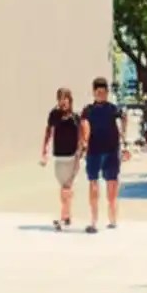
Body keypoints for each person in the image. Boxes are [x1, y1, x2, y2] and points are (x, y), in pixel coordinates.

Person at [80, 76, 128, 234]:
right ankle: (93, 221)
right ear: (94, 92)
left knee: (112, 185)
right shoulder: (88, 110)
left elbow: (123, 121)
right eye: (98, 92)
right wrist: (84, 143)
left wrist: (125, 142)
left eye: (104, 92)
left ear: (107, 92)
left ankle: (113, 218)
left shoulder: (113, 109)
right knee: (93, 184)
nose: (101, 94)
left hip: (111, 150)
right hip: (94, 151)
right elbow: (84, 126)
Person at [40, 87, 81, 231]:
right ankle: (67, 215)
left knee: (66, 188)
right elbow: (48, 133)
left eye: (65, 98)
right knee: (64, 188)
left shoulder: (76, 118)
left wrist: (80, 155)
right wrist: (44, 152)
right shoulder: (54, 115)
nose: (63, 102)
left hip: (72, 157)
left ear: (70, 100)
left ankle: (64, 218)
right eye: (60, 98)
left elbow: (80, 138)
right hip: (59, 157)